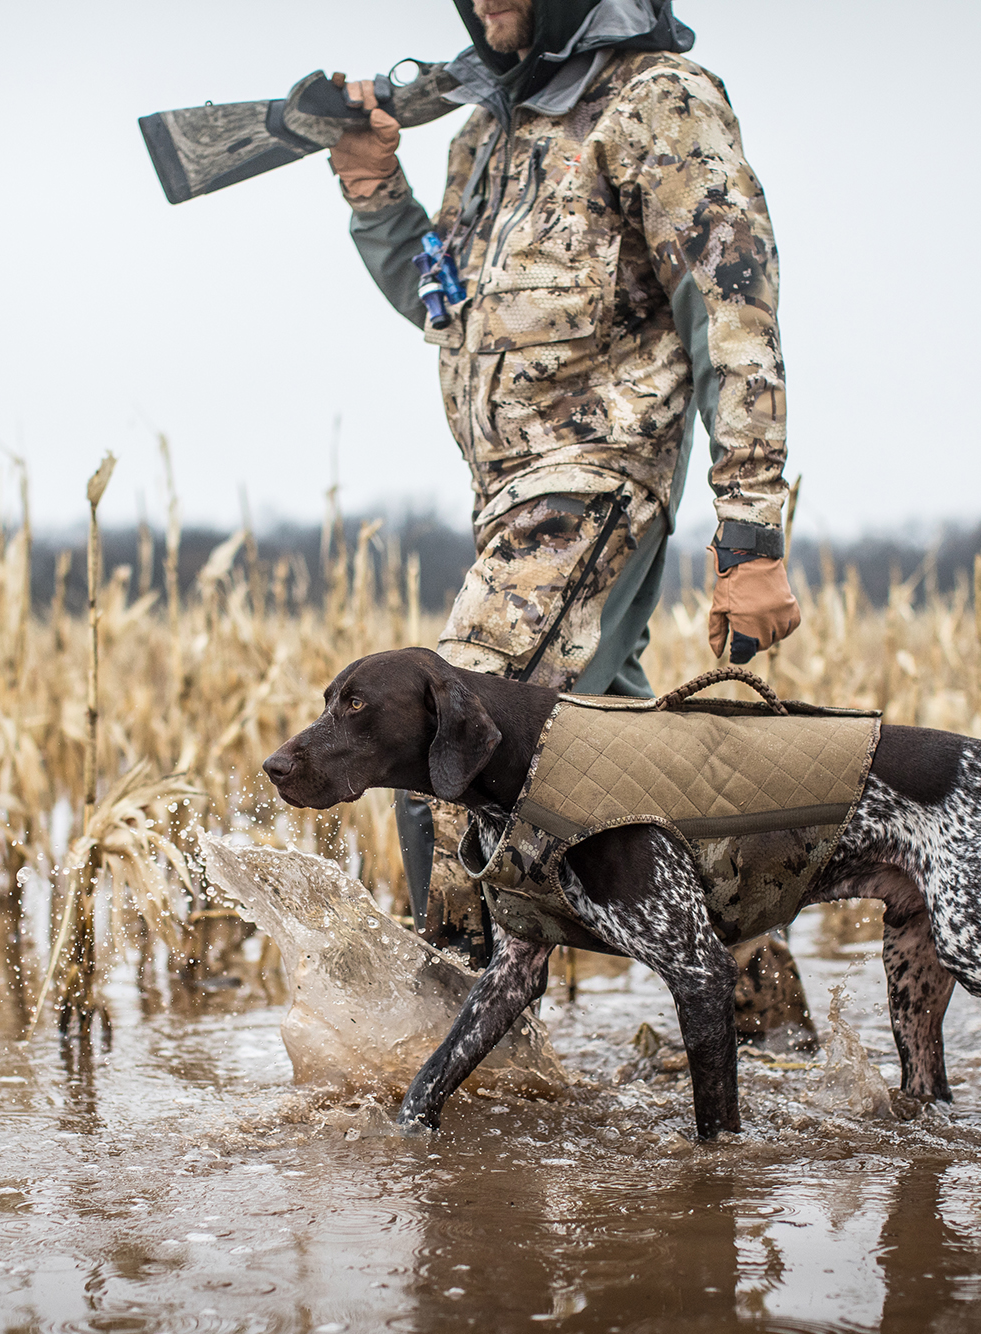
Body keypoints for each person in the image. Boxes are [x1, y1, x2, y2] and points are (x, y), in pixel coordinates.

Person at [332, 0, 803, 959]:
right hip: (505, 501)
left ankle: (447, 1028)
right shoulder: (484, 131)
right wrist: (377, 196)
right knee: (634, 787)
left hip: (596, 490)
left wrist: (751, 535)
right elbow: (450, 305)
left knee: (443, 747)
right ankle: (760, 1012)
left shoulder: (658, 102)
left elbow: (733, 316)